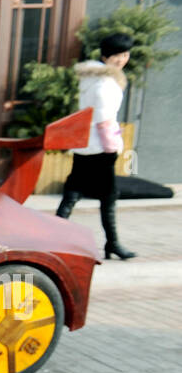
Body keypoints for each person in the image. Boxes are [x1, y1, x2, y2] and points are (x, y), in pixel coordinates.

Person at [56, 33, 136, 260]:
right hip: (101, 145)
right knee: (108, 195)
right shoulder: (105, 82)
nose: (122, 59)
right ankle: (113, 244)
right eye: (118, 55)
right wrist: (113, 146)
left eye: (125, 55)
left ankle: (52, 234)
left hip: (84, 142)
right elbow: (104, 118)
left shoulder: (89, 76)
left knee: (73, 190)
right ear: (106, 55)